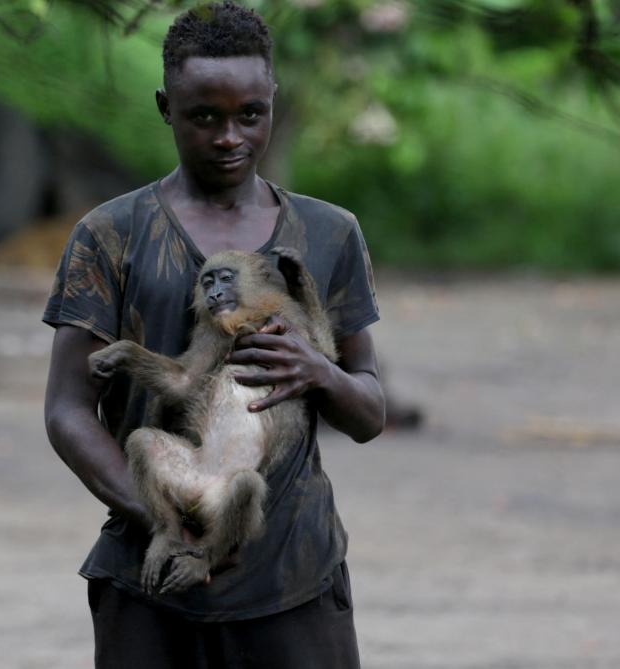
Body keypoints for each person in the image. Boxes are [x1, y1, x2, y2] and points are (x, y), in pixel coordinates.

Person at [42, 2, 384, 666]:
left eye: (250, 114)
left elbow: (368, 412)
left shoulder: (327, 235)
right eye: (205, 117)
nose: (230, 136)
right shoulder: (111, 235)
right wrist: (168, 520)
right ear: (167, 106)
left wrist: (319, 370)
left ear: (272, 103)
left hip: (294, 579)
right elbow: (66, 409)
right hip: (151, 580)